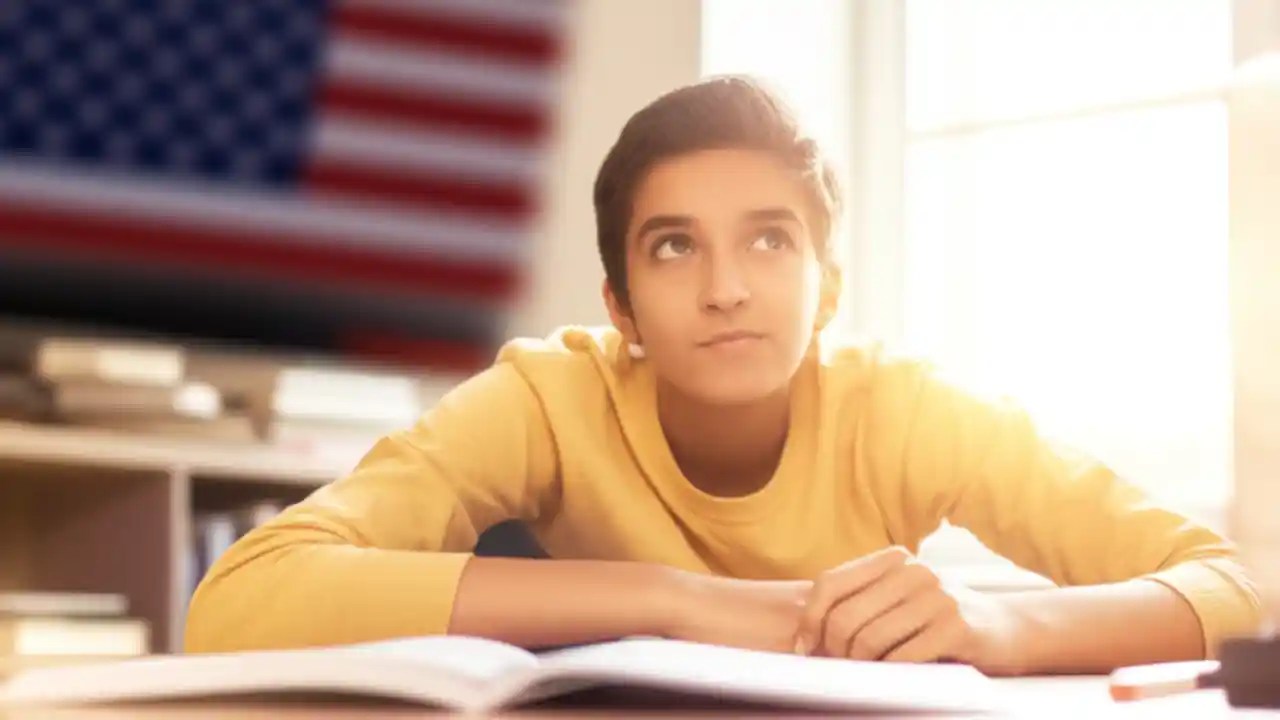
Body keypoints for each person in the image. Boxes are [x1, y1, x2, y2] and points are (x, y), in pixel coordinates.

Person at [185, 77, 1261, 675]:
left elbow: (1230, 589)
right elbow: (237, 602)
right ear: (617, 308)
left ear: (826, 287)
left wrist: (992, 627)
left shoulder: (904, 408)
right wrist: (667, 602)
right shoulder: (546, 399)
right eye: (671, 247)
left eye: (767, 242)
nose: (725, 289)